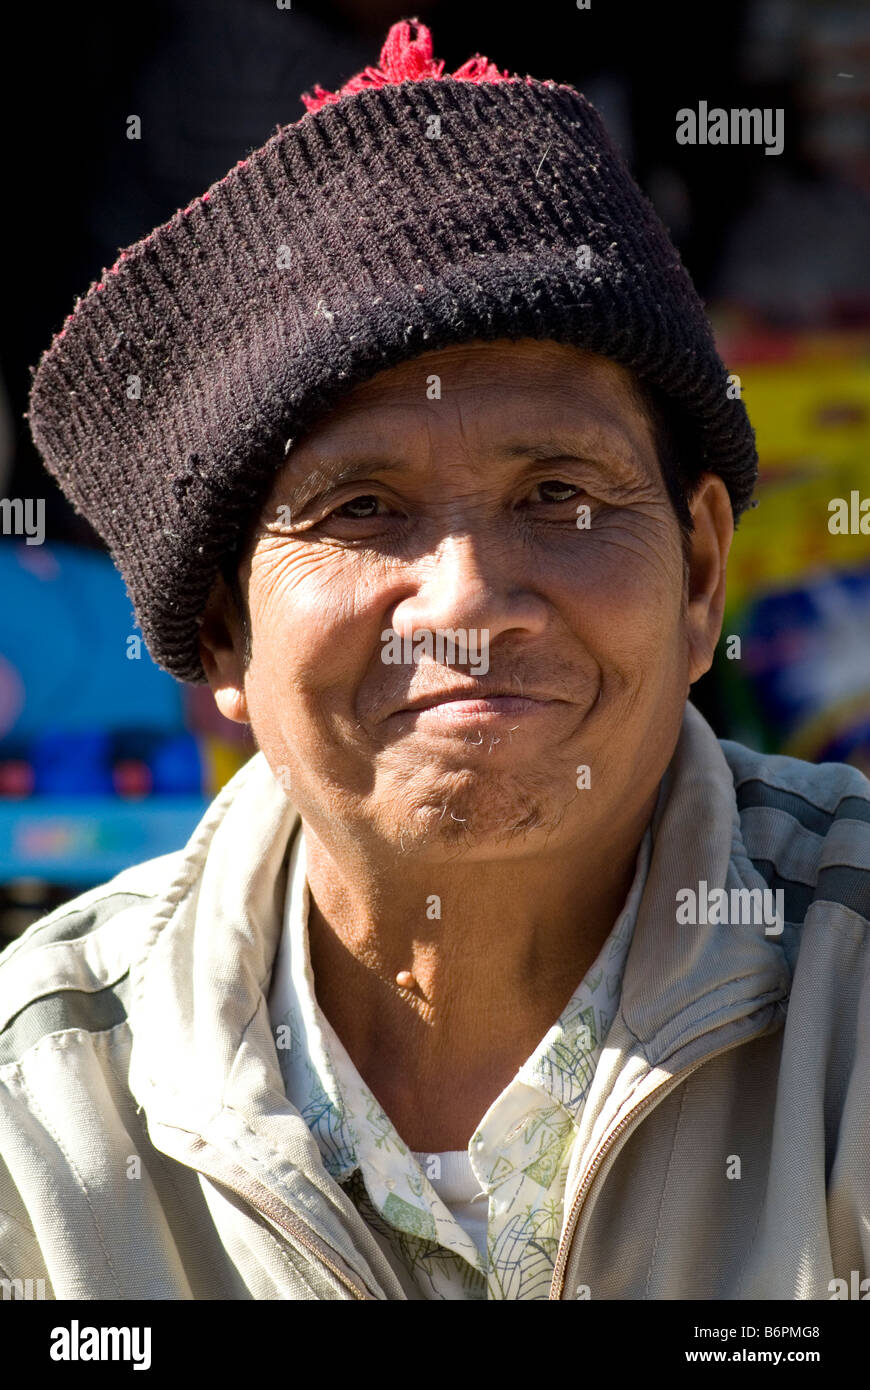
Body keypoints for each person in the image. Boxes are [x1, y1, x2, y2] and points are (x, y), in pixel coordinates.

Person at [4, 19, 868, 1301]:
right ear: (221, 636)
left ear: (698, 576)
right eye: (360, 511)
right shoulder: (44, 1105)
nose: (467, 600)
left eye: (562, 493)